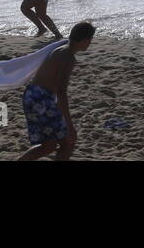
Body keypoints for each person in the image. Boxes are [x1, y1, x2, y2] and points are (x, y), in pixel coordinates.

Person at [18, 21, 95, 161]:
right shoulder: (68, 57)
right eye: (90, 40)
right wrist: (70, 125)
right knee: (68, 142)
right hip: (41, 99)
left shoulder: (61, 48)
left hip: (31, 96)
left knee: (49, 146)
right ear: (85, 40)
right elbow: (61, 92)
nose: (90, 43)